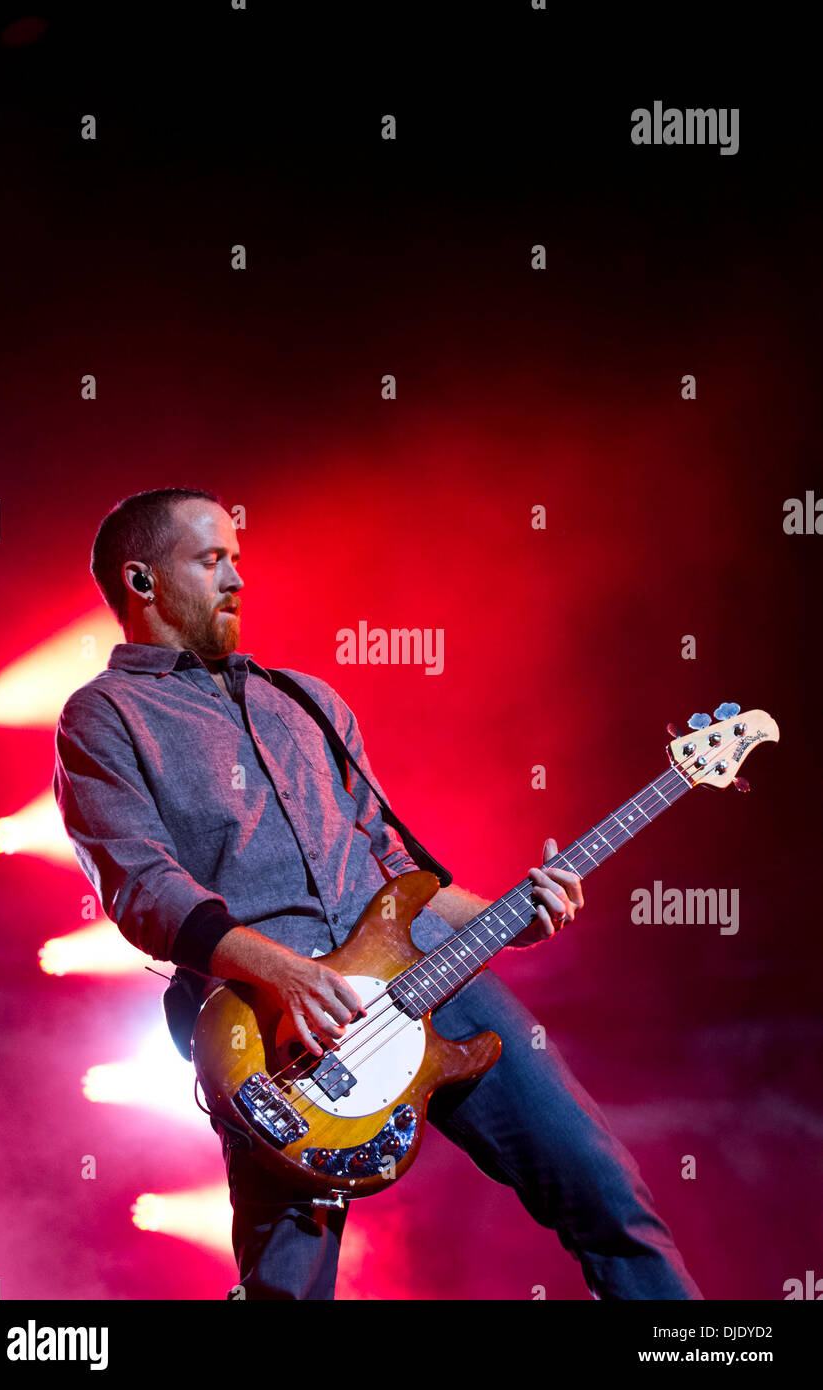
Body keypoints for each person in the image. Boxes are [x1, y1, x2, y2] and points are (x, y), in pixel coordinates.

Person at [53, 486, 703, 1301]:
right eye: (211, 559)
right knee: (288, 1288)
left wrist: (514, 919)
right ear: (142, 582)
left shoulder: (309, 701)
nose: (237, 579)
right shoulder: (104, 715)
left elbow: (396, 872)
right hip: (281, 1031)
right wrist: (283, 973)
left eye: (238, 560)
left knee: (609, 1198)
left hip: (434, 979)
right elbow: (142, 888)